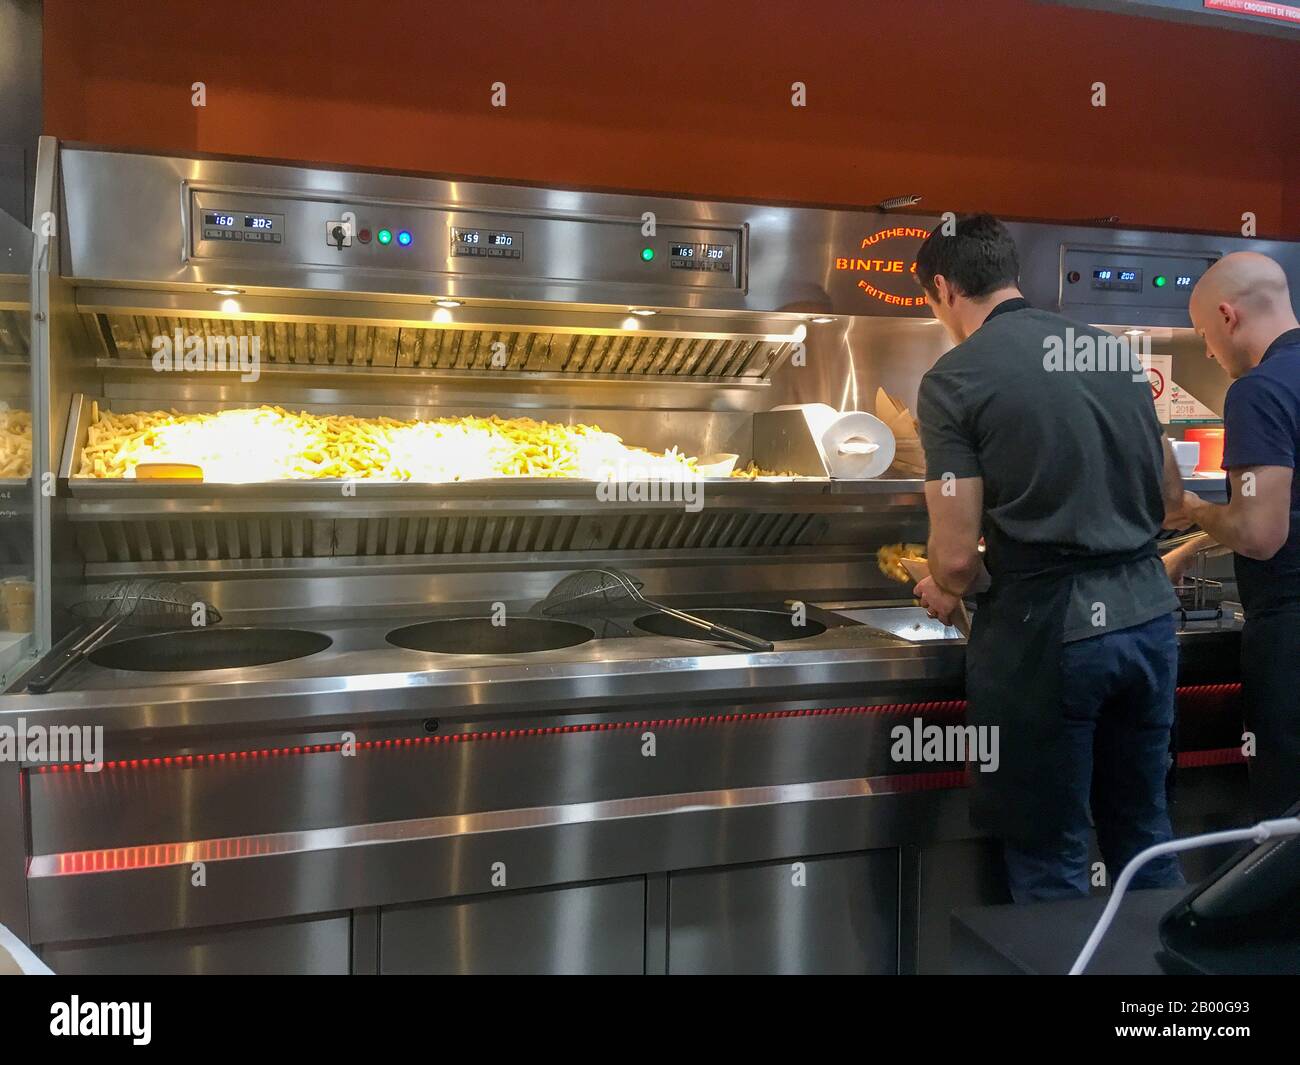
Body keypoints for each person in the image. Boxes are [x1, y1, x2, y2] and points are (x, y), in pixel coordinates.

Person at [910, 213, 1185, 903]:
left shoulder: (954, 379)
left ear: (942, 288)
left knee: (1049, 851)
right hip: (1149, 620)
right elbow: (1171, 499)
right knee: (1145, 833)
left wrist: (947, 584)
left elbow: (954, 557)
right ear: (1011, 273)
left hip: (1052, 637)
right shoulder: (1113, 354)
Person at [1167, 251, 1299, 818]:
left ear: (1227, 316)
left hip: (1291, 638)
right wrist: (1193, 549)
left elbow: (1259, 533)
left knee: (1285, 830)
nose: (1208, 352)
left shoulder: (1258, 391)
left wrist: (1191, 507)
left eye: (1202, 334)